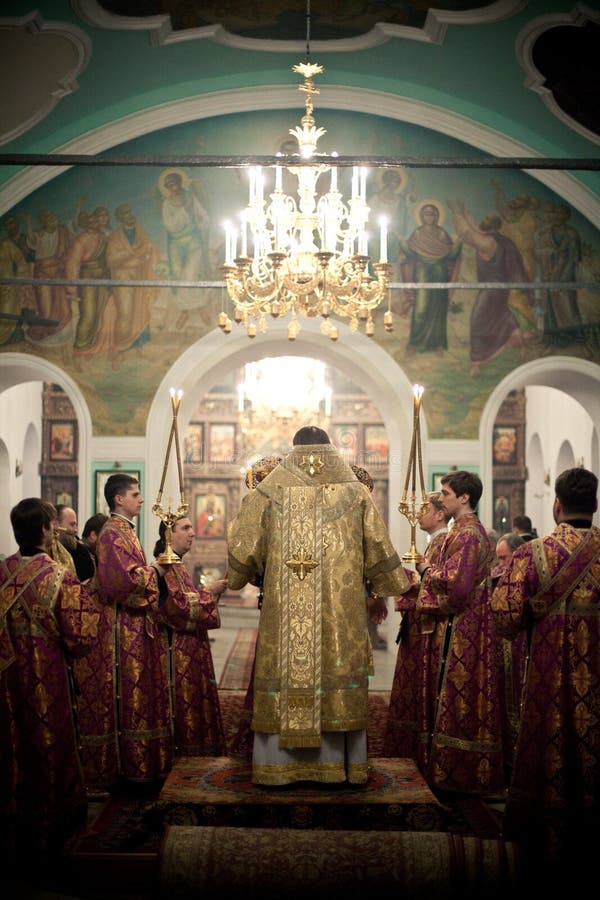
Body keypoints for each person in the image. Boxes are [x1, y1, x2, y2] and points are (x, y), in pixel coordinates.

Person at [226, 425, 415, 786]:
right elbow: (379, 550)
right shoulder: (356, 493)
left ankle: (277, 768)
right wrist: (380, 589)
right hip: (338, 618)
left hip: (282, 613)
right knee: (334, 674)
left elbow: (241, 553)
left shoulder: (266, 492)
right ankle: (338, 767)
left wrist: (249, 574)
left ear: (293, 448)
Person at [490, 467, 599, 860]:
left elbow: (504, 618)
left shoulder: (534, 553)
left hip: (547, 676)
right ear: (595, 504)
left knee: (545, 742)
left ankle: (542, 830)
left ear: (556, 505)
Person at [0, 498, 99, 854]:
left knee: (12, 744)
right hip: (48, 676)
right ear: (45, 530)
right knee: (49, 743)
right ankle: (53, 828)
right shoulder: (59, 575)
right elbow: (82, 634)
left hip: (7, 680)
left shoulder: (2, 571)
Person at [413, 470, 504, 796]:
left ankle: (455, 772)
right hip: (468, 622)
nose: (443, 498)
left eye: (447, 493)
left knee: (455, 693)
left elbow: (457, 584)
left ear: (464, 497)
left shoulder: (467, 535)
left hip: (463, 625)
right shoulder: (467, 531)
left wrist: (425, 571)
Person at [82, 473, 169, 787]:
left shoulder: (124, 530)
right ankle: (124, 767)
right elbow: (122, 582)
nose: (141, 499)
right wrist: (155, 570)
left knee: (140, 692)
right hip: (120, 628)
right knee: (128, 691)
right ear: (119, 499)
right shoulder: (112, 532)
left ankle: (139, 763)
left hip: (132, 625)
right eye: (135, 494)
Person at [384, 490, 451, 768]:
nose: (418, 514)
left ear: (438, 514)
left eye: (425, 509)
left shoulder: (444, 542)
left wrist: (409, 582)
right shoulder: (432, 543)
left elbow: (438, 586)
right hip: (418, 626)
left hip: (428, 627)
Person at [152, 515, 228, 756]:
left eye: (192, 527)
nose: (193, 532)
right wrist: (209, 591)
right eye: (185, 528)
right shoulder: (164, 568)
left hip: (190, 650)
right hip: (176, 654)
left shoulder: (178, 565)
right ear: (168, 535)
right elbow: (177, 609)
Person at [449, 199, 534, 377]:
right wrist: (464, 213)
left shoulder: (489, 243)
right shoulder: (503, 241)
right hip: (499, 291)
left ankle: (476, 362)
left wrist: (457, 213)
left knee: (477, 322)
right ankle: (522, 344)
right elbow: (473, 230)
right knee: (503, 316)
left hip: (491, 292)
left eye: (486, 218)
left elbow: (468, 235)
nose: (483, 220)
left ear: (490, 224)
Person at [399, 202, 461, 354]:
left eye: (432, 214)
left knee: (438, 307)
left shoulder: (442, 234)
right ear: (421, 216)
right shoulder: (418, 233)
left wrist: (458, 243)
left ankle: (438, 344)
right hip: (422, 270)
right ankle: (415, 344)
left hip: (439, 270)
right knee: (421, 306)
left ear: (437, 216)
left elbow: (452, 255)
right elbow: (410, 253)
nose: (429, 216)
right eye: (426, 213)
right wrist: (401, 241)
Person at [105, 203, 160, 367]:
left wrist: (149, 251)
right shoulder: (116, 237)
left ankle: (138, 348)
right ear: (120, 218)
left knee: (141, 311)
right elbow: (111, 260)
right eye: (125, 214)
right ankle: (119, 349)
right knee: (125, 313)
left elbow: (148, 249)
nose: (129, 215)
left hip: (140, 277)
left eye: (130, 212)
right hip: (123, 278)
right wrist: (133, 254)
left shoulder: (140, 231)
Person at [490, 532, 527, 776]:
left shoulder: (525, 574)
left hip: (522, 647)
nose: (501, 565)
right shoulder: (497, 575)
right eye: (498, 559)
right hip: (502, 648)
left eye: (505, 558)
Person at [55, 503, 96, 582]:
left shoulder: (81, 552)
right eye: (72, 524)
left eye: (76, 525)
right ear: (56, 525)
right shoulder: (47, 550)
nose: (76, 530)